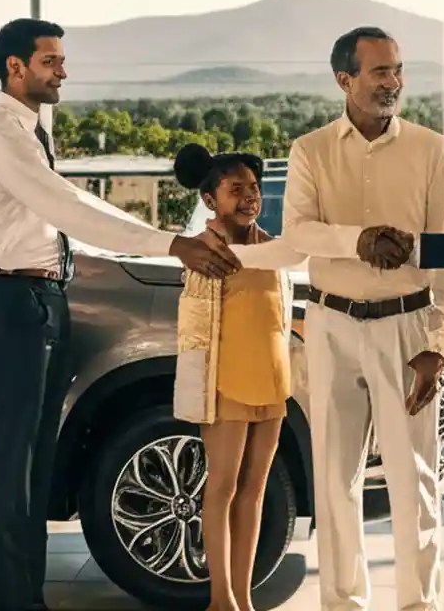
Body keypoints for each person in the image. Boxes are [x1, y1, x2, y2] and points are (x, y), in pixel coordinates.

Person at [0, 18, 243, 611]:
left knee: (33, 465)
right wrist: (169, 243)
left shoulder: (32, 130)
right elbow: (66, 206)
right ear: (15, 67)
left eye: (61, 59)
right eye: (50, 60)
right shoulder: (2, 136)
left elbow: (69, 205)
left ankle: (23, 598)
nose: (62, 69)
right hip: (13, 305)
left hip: (39, 301)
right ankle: (6, 602)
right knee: (11, 463)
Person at [283, 27, 444, 611]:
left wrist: (437, 343)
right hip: (331, 326)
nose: (395, 82)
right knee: (336, 481)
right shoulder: (309, 150)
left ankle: (419, 604)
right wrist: (356, 240)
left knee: (415, 478)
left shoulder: (431, 149)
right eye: (381, 72)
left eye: (398, 70)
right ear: (345, 80)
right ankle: (344, 603)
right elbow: (297, 235)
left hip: (407, 327)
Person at [171, 144, 296, 611]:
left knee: (255, 490)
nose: (248, 197)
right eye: (235, 189)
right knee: (221, 487)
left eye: (254, 188)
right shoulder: (205, 253)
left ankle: (242, 597)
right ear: (209, 199)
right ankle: (219, 598)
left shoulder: (272, 248)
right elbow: (194, 328)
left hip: (272, 384)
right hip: (225, 386)